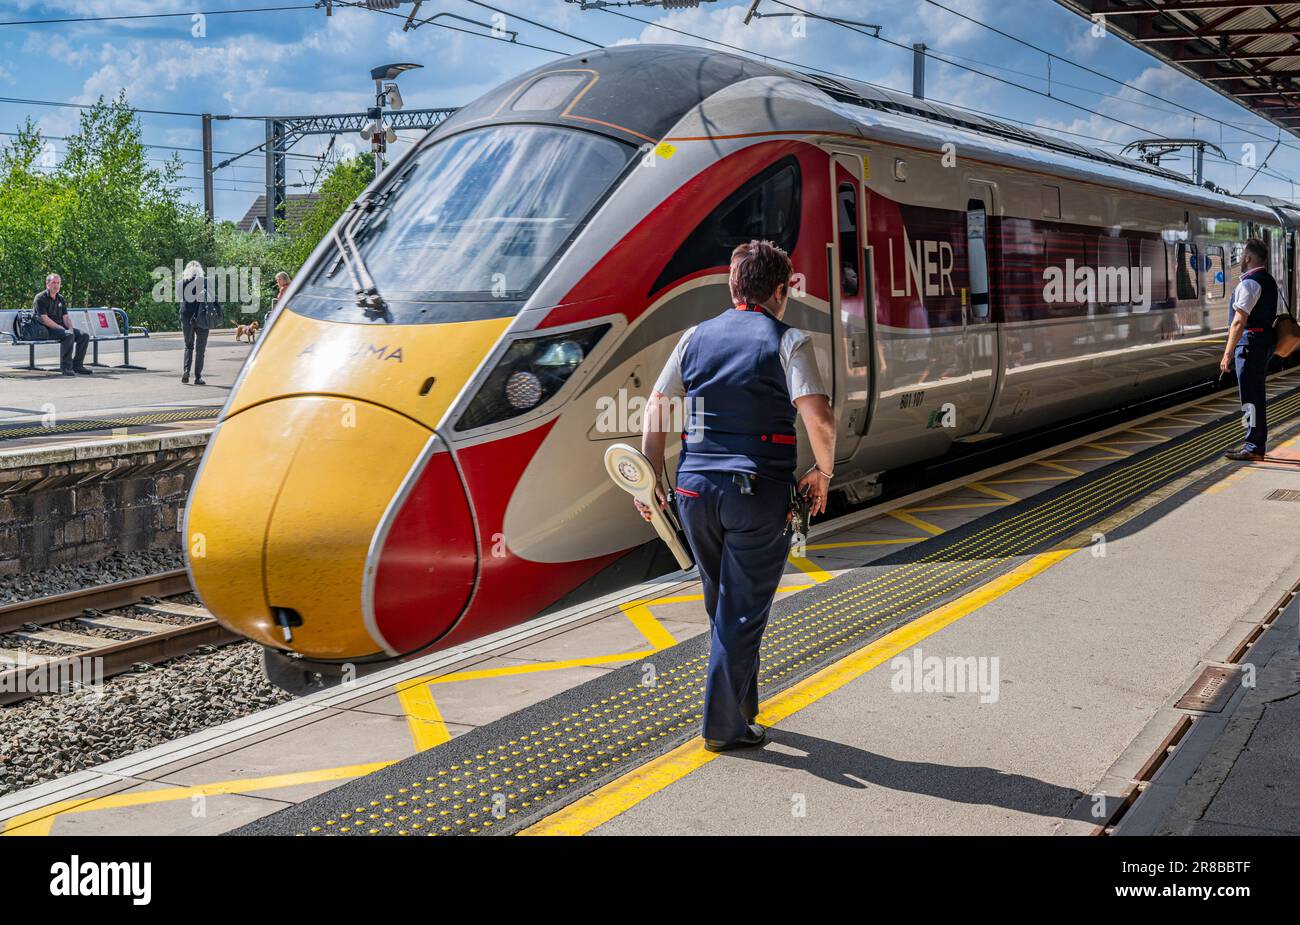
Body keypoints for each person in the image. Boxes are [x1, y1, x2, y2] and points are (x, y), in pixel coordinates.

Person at [637, 240, 837, 752]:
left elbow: (656, 407)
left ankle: (743, 711)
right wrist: (823, 471)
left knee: (725, 607)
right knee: (742, 612)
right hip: (756, 492)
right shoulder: (787, 339)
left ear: (732, 287)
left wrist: (650, 477)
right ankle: (723, 727)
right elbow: (817, 417)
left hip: (693, 490)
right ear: (780, 290)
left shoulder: (693, 338)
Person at [1222, 238, 1278, 461]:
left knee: (1249, 397)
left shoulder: (1249, 283)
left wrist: (1227, 352)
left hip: (1249, 345)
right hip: (1261, 343)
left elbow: (1238, 321)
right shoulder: (1269, 280)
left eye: (1242, 255)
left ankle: (1252, 445)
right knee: (1255, 394)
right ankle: (1255, 442)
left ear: (1248, 258)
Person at [33, 273, 91, 377]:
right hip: (45, 330)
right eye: (53, 282)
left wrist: (70, 328)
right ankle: (66, 367)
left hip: (60, 329)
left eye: (58, 283)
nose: (56, 285)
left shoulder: (60, 298)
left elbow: (66, 317)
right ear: (47, 284)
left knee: (84, 336)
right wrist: (63, 329)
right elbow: (45, 319)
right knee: (68, 335)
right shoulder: (40, 298)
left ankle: (77, 365)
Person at [179, 260, 210, 385]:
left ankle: (186, 371)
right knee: (200, 349)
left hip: (186, 317)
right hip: (202, 317)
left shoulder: (181, 283)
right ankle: (198, 377)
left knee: (188, 346)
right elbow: (212, 299)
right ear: (200, 270)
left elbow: (181, 300)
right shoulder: (205, 282)